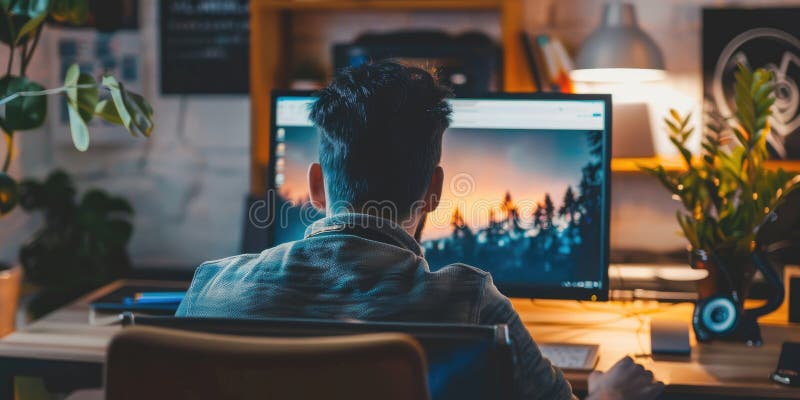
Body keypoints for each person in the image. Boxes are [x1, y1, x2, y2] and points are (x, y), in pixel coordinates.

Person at [176, 61, 664, 400]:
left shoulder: (211, 290)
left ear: (317, 187)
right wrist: (609, 392)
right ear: (434, 190)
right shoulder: (472, 307)